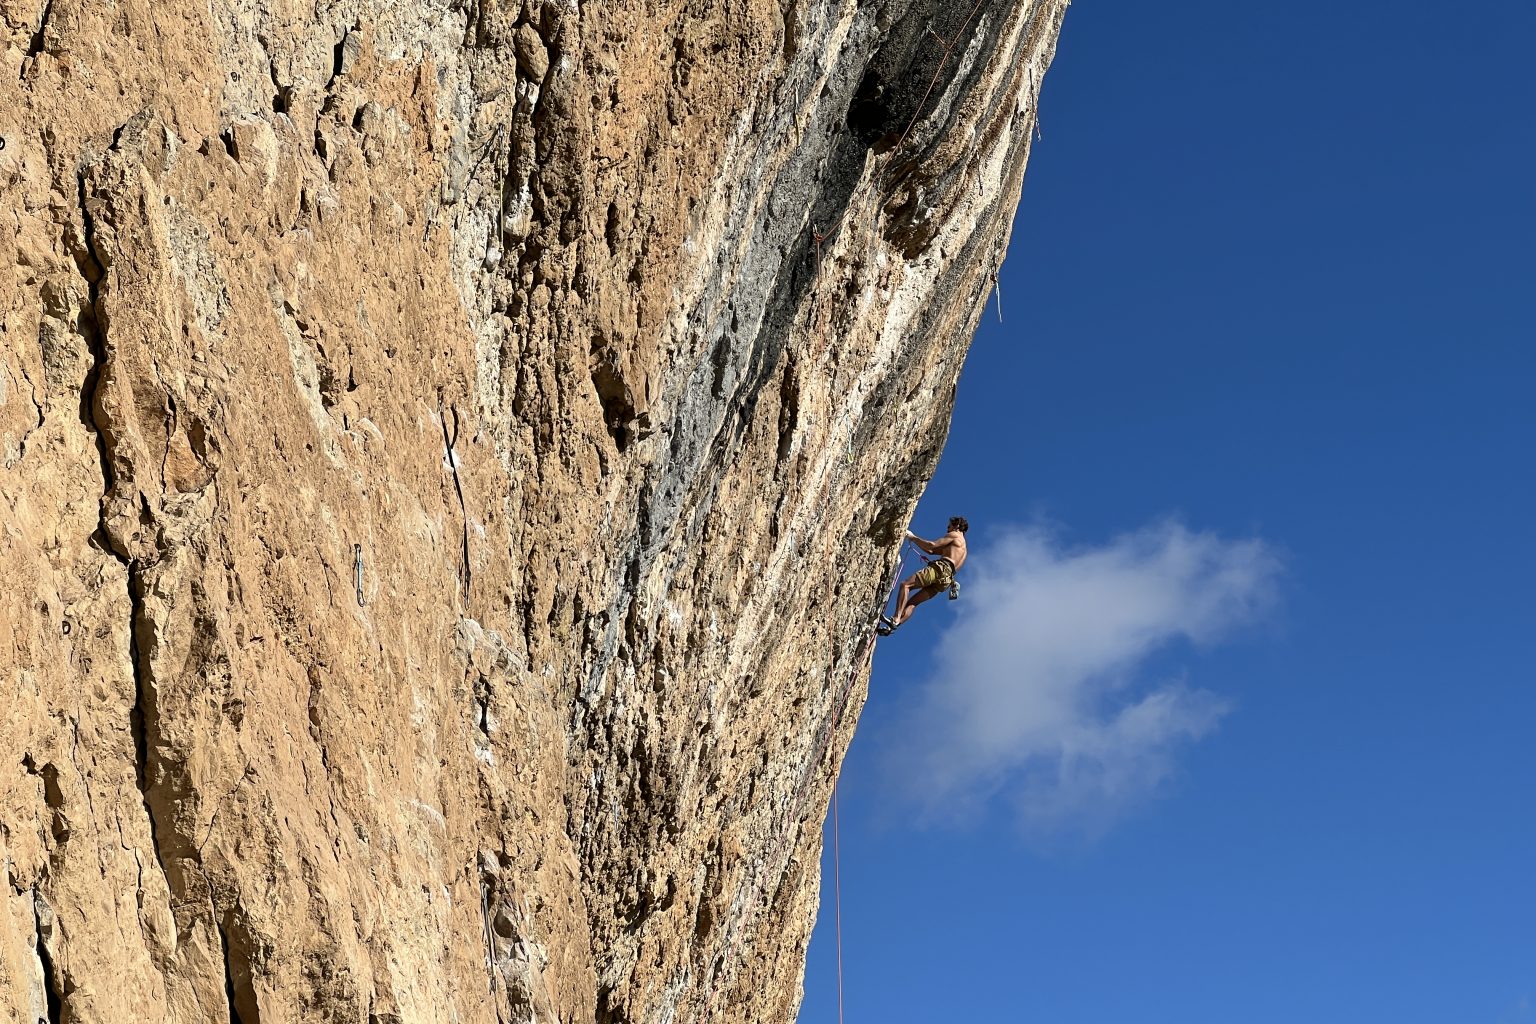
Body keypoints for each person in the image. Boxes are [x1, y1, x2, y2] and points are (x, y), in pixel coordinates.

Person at [878, 516, 968, 635]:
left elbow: (931, 545)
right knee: (913, 603)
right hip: (946, 581)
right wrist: (915, 541)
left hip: (940, 569)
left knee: (905, 585)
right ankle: (893, 627)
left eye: (949, 526)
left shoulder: (955, 535)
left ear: (956, 526)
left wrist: (913, 537)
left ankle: (895, 618)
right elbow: (931, 551)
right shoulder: (963, 549)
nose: (947, 530)